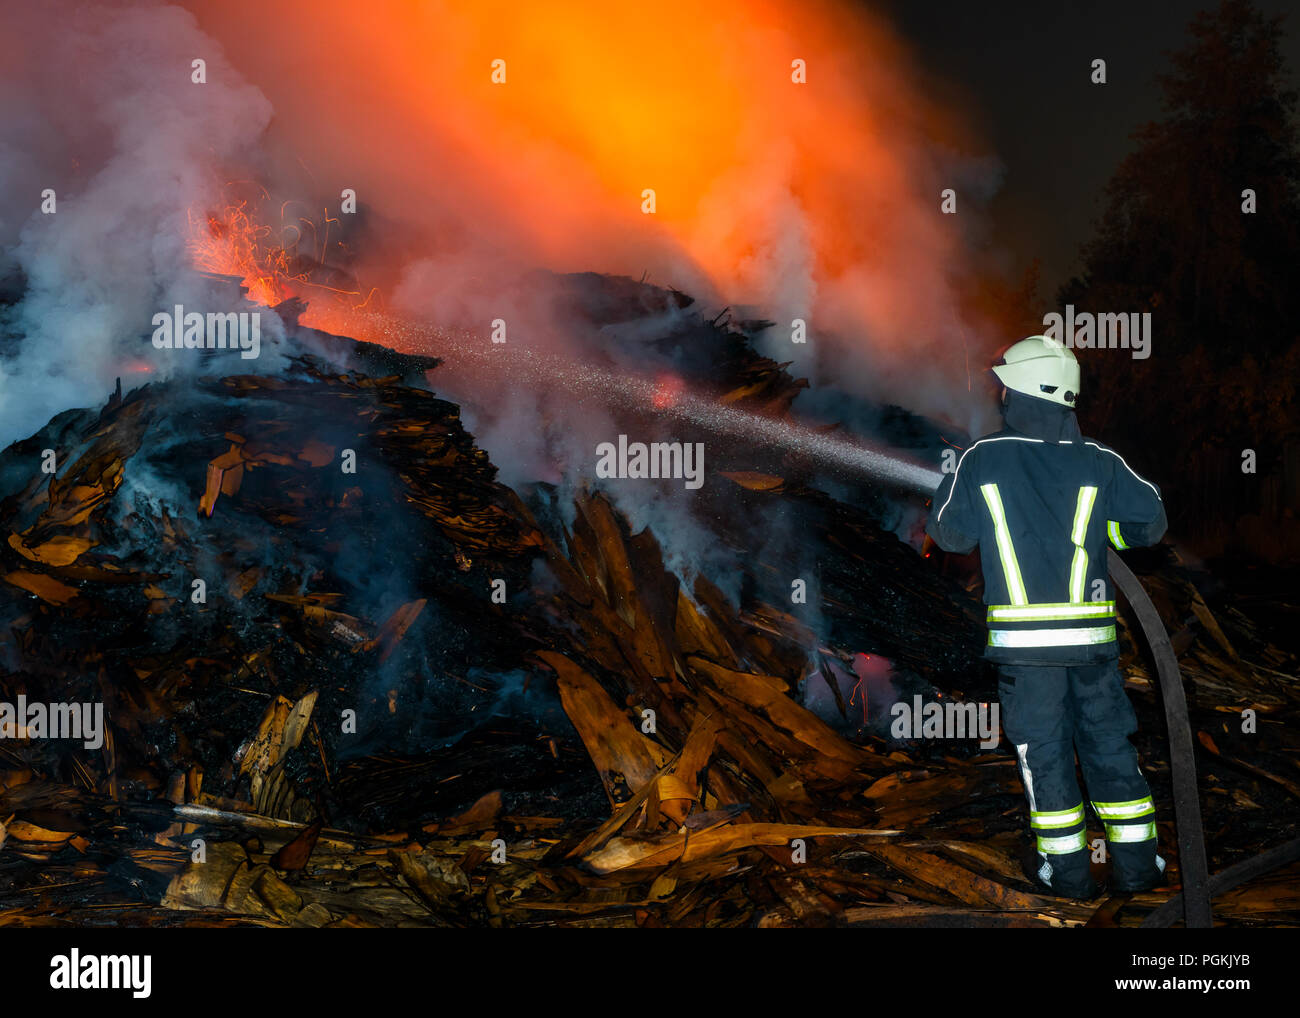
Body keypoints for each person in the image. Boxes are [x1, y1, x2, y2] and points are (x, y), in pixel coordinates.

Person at [925, 335, 1168, 899]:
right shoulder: (1101, 461)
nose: (1000, 395)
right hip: (1093, 650)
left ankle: (1068, 875)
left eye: (1006, 386)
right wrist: (1094, 531)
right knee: (1109, 747)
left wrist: (946, 492)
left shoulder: (982, 458)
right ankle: (1139, 871)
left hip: (1026, 654)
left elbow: (949, 533)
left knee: (1046, 756)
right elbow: (1149, 525)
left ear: (1024, 390)